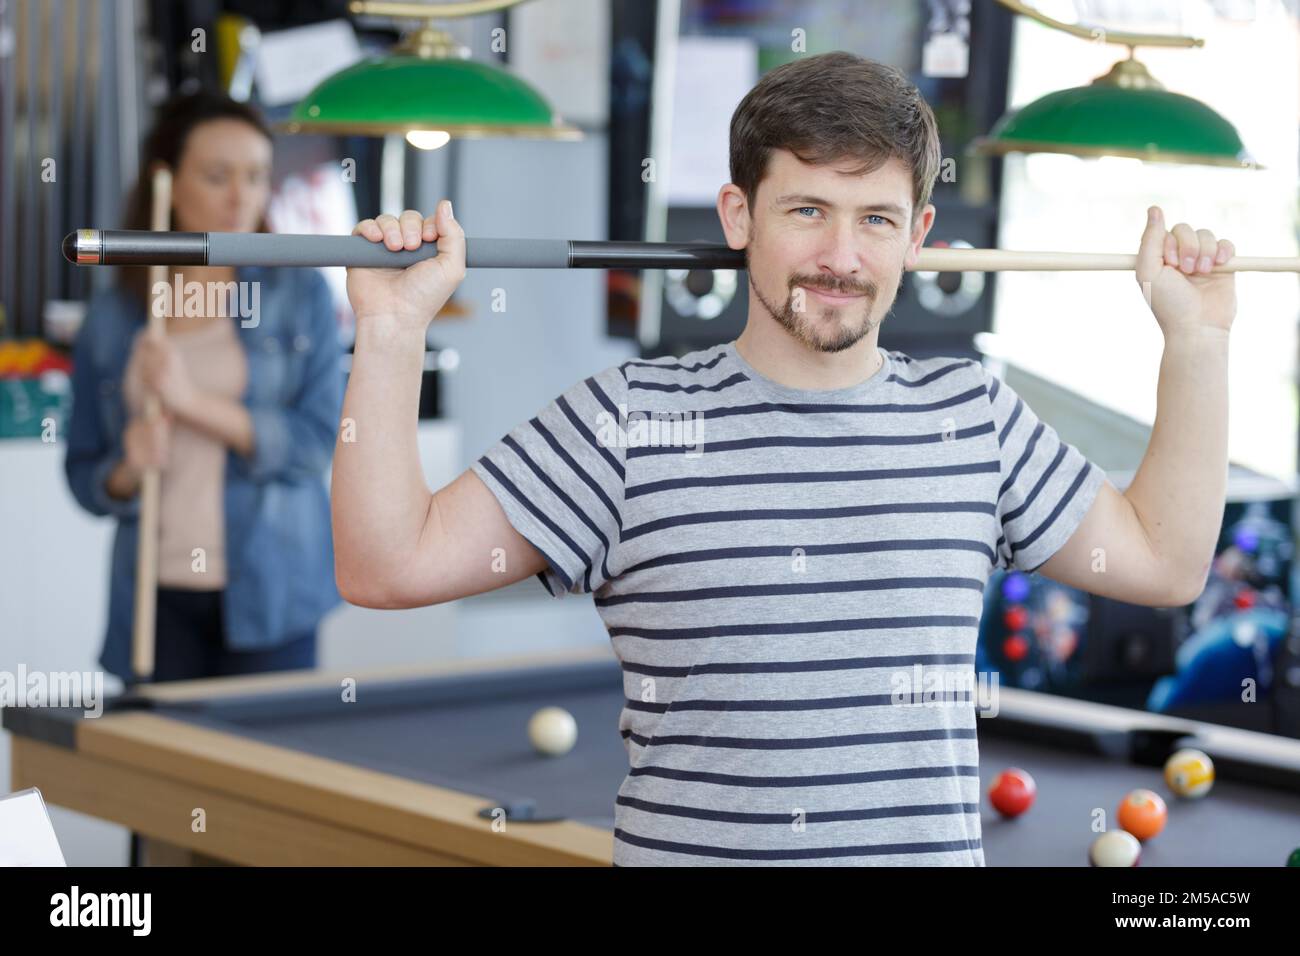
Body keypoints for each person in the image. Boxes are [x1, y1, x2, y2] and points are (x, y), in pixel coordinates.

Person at [332, 51, 1235, 865]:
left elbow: (1165, 561)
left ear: (917, 237)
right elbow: (385, 564)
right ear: (739, 215)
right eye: (807, 210)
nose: (841, 257)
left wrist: (1197, 347)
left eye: (875, 219)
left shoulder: (974, 415)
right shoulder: (629, 418)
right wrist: (391, 330)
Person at [66, 89, 343, 682]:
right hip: (153, 596)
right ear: (166, 179)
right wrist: (125, 470)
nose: (240, 197)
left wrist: (191, 403)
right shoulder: (115, 315)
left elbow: (316, 444)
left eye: (257, 176)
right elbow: (85, 475)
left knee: (265, 774)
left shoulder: (300, 294)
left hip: (272, 593)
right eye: (218, 176)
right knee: (157, 773)